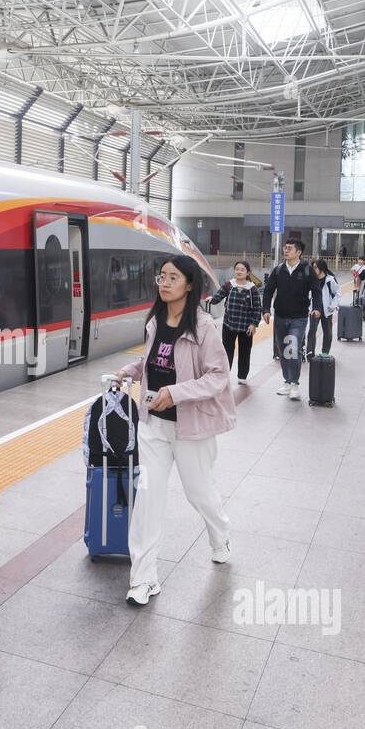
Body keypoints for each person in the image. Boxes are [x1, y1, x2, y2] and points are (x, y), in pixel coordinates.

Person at [117, 255, 235, 605]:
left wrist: (176, 393)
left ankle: (221, 534)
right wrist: (132, 369)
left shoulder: (204, 328)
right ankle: (143, 578)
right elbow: (155, 361)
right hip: (152, 425)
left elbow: (218, 376)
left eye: (172, 277)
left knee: (198, 494)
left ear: (189, 284)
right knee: (148, 497)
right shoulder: (155, 321)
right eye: (161, 277)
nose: (164, 283)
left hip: (191, 428)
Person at [261, 239, 321, 400]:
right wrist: (266, 309)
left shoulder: (307, 270)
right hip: (280, 317)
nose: (285, 251)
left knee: (292, 348)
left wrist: (317, 308)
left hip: (299, 318)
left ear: (298, 252)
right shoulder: (279, 270)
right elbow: (268, 291)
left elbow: (316, 291)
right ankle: (287, 382)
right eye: (285, 248)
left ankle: (294, 384)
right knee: (282, 350)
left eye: (289, 248)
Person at [206, 260, 262, 384]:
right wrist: (212, 299)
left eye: (242, 270)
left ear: (248, 273)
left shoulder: (252, 290)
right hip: (229, 325)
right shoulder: (229, 285)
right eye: (237, 269)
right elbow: (218, 296)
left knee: (245, 352)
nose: (239, 271)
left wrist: (254, 324)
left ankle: (242, 377)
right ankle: (224, 375)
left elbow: (258, 308)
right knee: (226, 352)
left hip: (246, 327)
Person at [307, 259, 339, 359]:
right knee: (312, 331)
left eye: (315, 267)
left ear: (322, 268)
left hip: (327, 310)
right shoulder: (311, 280)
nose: (313, 269)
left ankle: (325, 353)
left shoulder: (330, 280)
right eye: (313, 267)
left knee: (328, 332)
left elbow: (337, 294)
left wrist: (333, 305)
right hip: (314, 310)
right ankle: (310, 353)